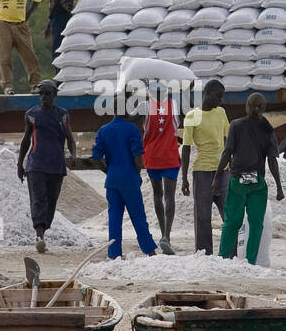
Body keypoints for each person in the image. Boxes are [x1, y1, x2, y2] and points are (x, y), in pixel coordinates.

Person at [216, 93, 285, 265]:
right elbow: (272, 160)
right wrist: (279, 187)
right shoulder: (268, 130)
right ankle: (251, 261)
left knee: (232, 222)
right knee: (256, 224)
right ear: (263, 109)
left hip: (238, 182)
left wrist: (217, 178)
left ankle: (223, 259)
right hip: (257, 184)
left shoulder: (236, 126)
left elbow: (227, 153)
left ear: (246, 106)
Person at [16, 79, 77, 254]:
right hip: (36, 165)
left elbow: (70, 138)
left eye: (47, 93)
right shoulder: (31, 115)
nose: (43, 97)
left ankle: (43, 230)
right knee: (38, 199)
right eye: (40, 93)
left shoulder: (63, 115)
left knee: (51, 202)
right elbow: (26, 140)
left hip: (56, 166)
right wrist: (20, 164)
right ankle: (39, 235)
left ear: (55, 95)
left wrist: (73, 154)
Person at [92, 107, 158, 259]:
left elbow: (95, 157)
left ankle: (114, 254)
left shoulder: (104, 130)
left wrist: (108, 172)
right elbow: (137, 156)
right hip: (129, 179)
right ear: (127, 110)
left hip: (112, 181)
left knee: (114, 217)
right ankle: (150, 251)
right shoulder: (132, 129)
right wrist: (136, 173)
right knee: (138, 216)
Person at [180, 79, 230, 255]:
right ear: (207, 94)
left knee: (229, 214)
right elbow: (186, 148)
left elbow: (227, 141)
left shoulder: (221, 113)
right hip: (202, 172)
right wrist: (184, 178)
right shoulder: (192, 116)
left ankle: (230, 253)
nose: (220, 101)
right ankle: (204, 254)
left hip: (223, 172)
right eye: (218, 96)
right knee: (203, 217)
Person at [141, 83, 181, 254]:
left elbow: (142, 129)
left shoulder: (145, 106)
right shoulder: (174, 105)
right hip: (170, 155)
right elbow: (177, 126)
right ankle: (167, 235)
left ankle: (163, 232)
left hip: (152, 156)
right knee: (169, 196)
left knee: (157, 194)